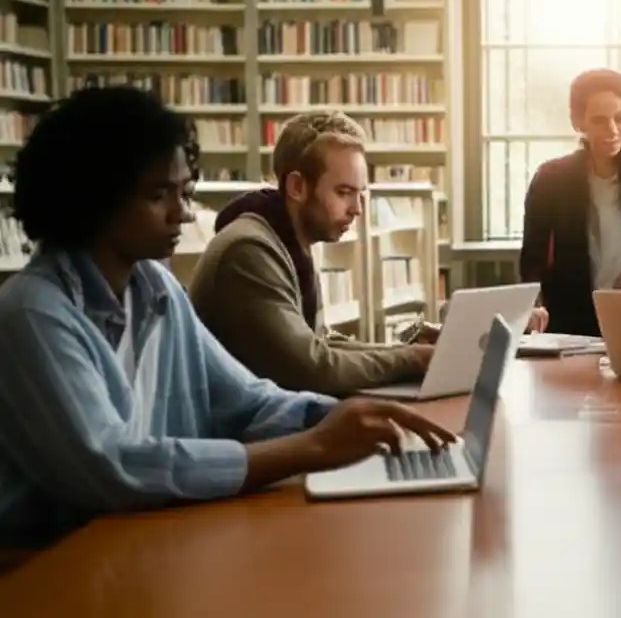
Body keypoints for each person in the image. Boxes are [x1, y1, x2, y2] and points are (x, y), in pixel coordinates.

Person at [0, 87, 453, 545]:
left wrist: (347, 418)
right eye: (159, 195)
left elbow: (245, 399)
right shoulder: (32, 314)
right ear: (91, 197)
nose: (183, 213)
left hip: (140, 538)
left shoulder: (157, 291)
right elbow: (111, 467)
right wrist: (313, 447)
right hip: (46, 565)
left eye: (185, 192)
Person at [188, 111, 434, 396]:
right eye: (343, 192)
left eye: (360, 193)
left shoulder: (288, 239)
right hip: (242, 435)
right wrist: (414, 359)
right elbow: (314, 369)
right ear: (297, 187)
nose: (357, 208)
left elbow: (319, 342)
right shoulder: (248, 252)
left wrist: (409, 351)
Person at [519, 69, 621, 336]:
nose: (612, 130)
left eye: (619, 119)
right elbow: (532, 259)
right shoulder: (551, 179)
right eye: (599, 120)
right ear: (579, 122)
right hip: (573, 320)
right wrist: (533, 305)